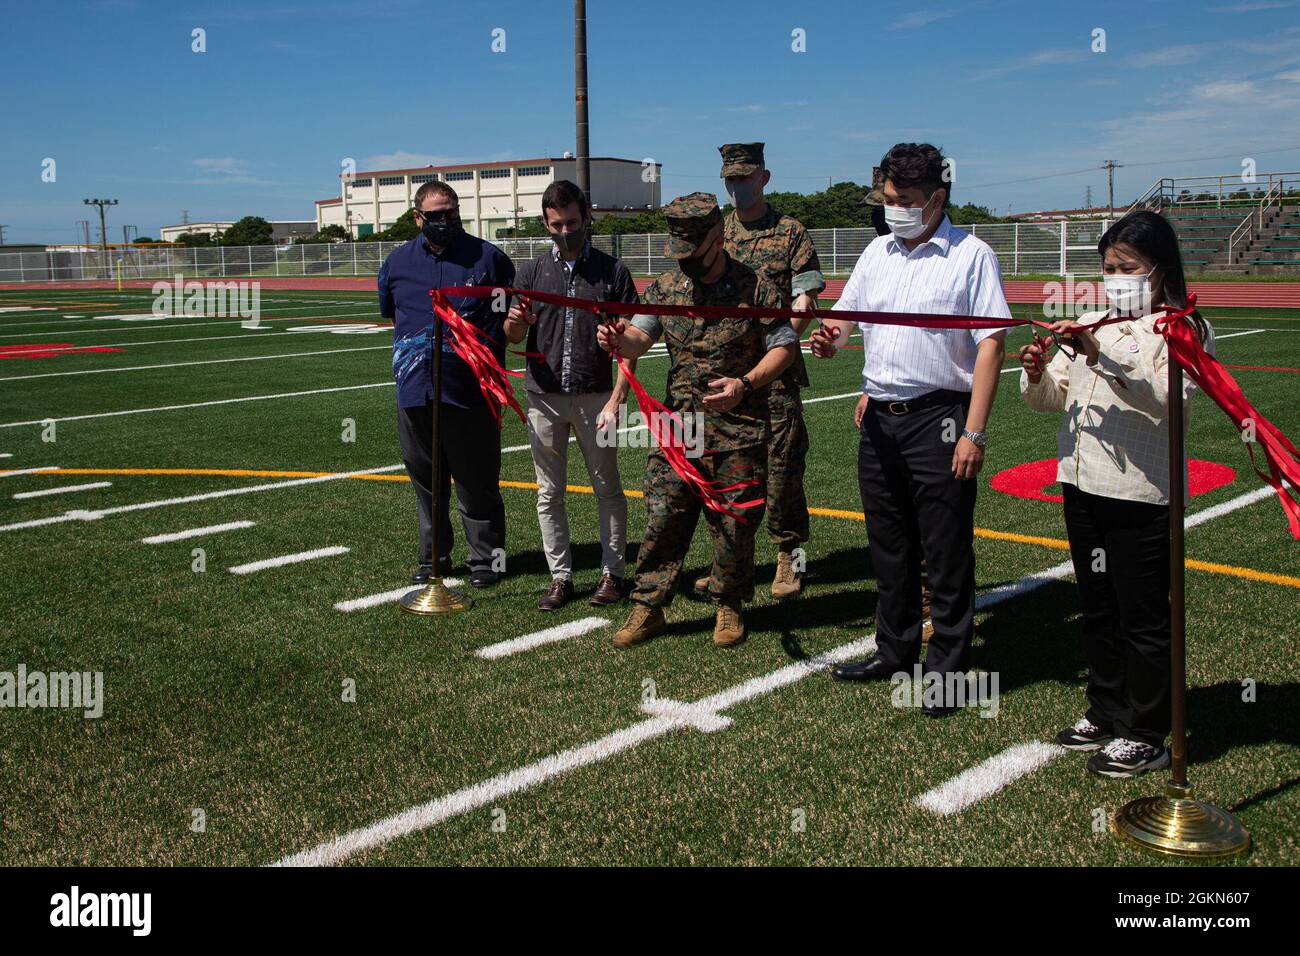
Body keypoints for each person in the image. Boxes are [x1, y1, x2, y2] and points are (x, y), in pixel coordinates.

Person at [809, 143, 1011, 715]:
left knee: (944, 552)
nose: (891, 209)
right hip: (878, 420)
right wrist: (829, 340)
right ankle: (894, 651)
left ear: (937, 199)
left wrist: (973, 432)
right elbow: (845, 322)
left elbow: (992, 341)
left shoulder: (972, 256)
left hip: (940, 418)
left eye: (903, 201)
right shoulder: (877, 252)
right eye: (887, 198)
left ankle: (947, 671)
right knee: (889, 546)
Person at [1018, 210, 1214, 777]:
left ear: (1158, 270)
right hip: (1081, 483)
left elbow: (1166, 402)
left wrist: (1101, 356)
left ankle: (1150, 729)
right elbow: (1053, 399)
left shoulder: (1183, 327)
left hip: (1141, 493)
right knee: (1097, 606)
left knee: (1144, 615)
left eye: (1126, 267)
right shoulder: (1091, 319)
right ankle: (1107, 707)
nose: (1114, 278)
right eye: (1107, 268)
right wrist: (1036, 372)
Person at [597, 193, 797, 648]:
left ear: (718, 237)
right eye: (679, 251)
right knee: (663, 517)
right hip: (678, 428)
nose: (685, 260)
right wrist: (615, 337)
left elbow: (784, 347)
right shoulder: (666, 288)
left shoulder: (757, 286)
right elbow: (636, 342)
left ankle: (729, 606)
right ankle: (648, 607)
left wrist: (746, 384)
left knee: (733, 523)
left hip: (738, 428)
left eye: (693, 250)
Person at [690, 141, 824, 601]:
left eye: (745, 177)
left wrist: (796, 317)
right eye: (730, 179)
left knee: (783, 469)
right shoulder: (716, 231)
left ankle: (789, 557)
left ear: (764, 178)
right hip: (725, 376)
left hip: (776, 374)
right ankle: (727, 563)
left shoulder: (790, 232)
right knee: (727, 473)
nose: (737, 186)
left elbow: (807, 295)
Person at [505, 180, 639, 611]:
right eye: (557, 224)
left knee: (607, 488)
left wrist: (618, 400)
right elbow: (511, 337)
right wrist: (518, 321)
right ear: (545, 223)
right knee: (549, 492)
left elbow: (630, 344)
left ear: (587, 218)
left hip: (596, 395)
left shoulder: (612, 271)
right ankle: (559, 577)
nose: (565, 231)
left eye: (573, 222)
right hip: (543, 397)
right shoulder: (529, 272)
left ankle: (612, 573)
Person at [379, 180, 515, 589]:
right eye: (436, 215)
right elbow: (393, 314)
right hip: (414, 389)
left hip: (471, 391)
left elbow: (508, 321)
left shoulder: (489, 258)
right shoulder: (397, 262)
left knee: (477, 480)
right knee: (426, 480)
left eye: (451, 213)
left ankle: (487, 561)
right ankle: (433, 557)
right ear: (418, 217)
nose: (445, 221)